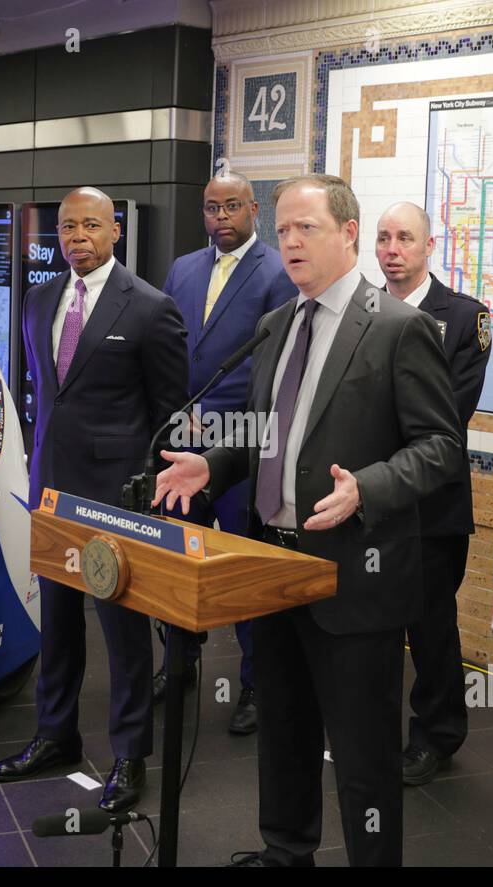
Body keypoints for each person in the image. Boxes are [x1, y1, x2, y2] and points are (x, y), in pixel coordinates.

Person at [154, 174, 465, 866]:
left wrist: (371, 487)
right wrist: (214, 464)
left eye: (308, 228)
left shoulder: (399, 328)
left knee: (362, 753)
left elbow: (442, 448)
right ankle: (285, 850)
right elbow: (270, 427)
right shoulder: (279, 323)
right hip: (273, 567)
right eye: (285, 228)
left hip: (353, 575)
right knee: (285, 731)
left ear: (349, 234)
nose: (290, 241)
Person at [0, 187, 188, 814]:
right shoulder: (39, 298)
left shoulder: (152, 309)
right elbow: (44, 394)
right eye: (67, 226)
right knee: (59, 622)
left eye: (90, 226)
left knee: (123, 631)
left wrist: (150, 496)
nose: (76, 236)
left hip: (115, 499)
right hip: (51, 487)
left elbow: (170, 417)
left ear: (116, 231)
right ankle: (56, 735)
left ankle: (130, 755)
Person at [156, 170, 297, 734]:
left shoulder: (276, 272)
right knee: (179, 559)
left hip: (241, 446)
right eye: (212, 208)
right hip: (180, 442)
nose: (220, 218)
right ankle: (180, 662)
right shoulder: (182, 269)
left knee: (239, 569)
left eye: (231, 207)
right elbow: (169, 346)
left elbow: (277, 366)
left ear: (253, 210)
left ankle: (256, 685)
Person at [375, 201, 491, 784]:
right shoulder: (360, 311)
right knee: (371, 626)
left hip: (430, 508)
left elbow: (447, 416)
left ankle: (437, 736)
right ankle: (369, 731)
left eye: (404, 239)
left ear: (428, 247)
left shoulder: (466, 318)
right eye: (384, 238)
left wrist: (366, 432)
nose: (392, 249)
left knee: (430, 629)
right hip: (367, 503)